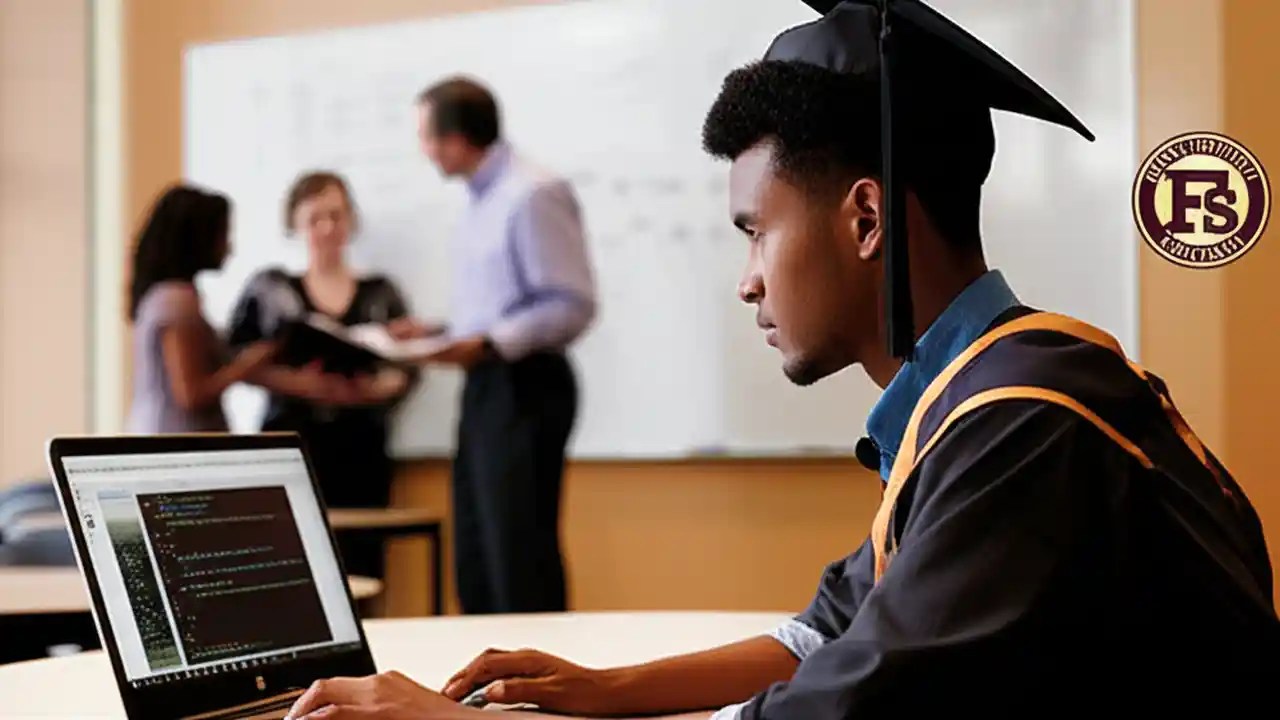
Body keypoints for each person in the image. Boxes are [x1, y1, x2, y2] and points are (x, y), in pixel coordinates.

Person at [284, 2, 1278, 718]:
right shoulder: (989, 390)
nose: (745, 280)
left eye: (753, 230)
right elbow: (823, 636)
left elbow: (827, 708)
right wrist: (593, 689)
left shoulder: (1023, 425)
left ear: (864, 219)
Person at [392, 76, 596, 615]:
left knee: (517, 558)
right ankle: (487, 688)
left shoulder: (532, 192)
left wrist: (487, 342)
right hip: (487, 384)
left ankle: (537, 690)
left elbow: (571, 302)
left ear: (457, 138)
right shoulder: (480, 200)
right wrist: (438, 332)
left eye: (427, 137)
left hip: (526, 384)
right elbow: (501, 305)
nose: (425, 151)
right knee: (478, 558)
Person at [228, 171, 418, 580]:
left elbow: (408, 366)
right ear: (295, 224)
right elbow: (236, 362)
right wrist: (303, 385)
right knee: (285, 567)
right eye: (316, 218)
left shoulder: (381, 292)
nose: (328, 228)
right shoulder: (272, 289)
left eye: (337, 215)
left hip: (359, 452)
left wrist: (371, 390)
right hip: (291, 445)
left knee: (361, 569)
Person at [126, 184, 334, 434]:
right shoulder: (177, 303)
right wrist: (250, 362)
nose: (230, 247)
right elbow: (191, 394)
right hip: (178, 443)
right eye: (223, 234)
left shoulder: (166, 298)